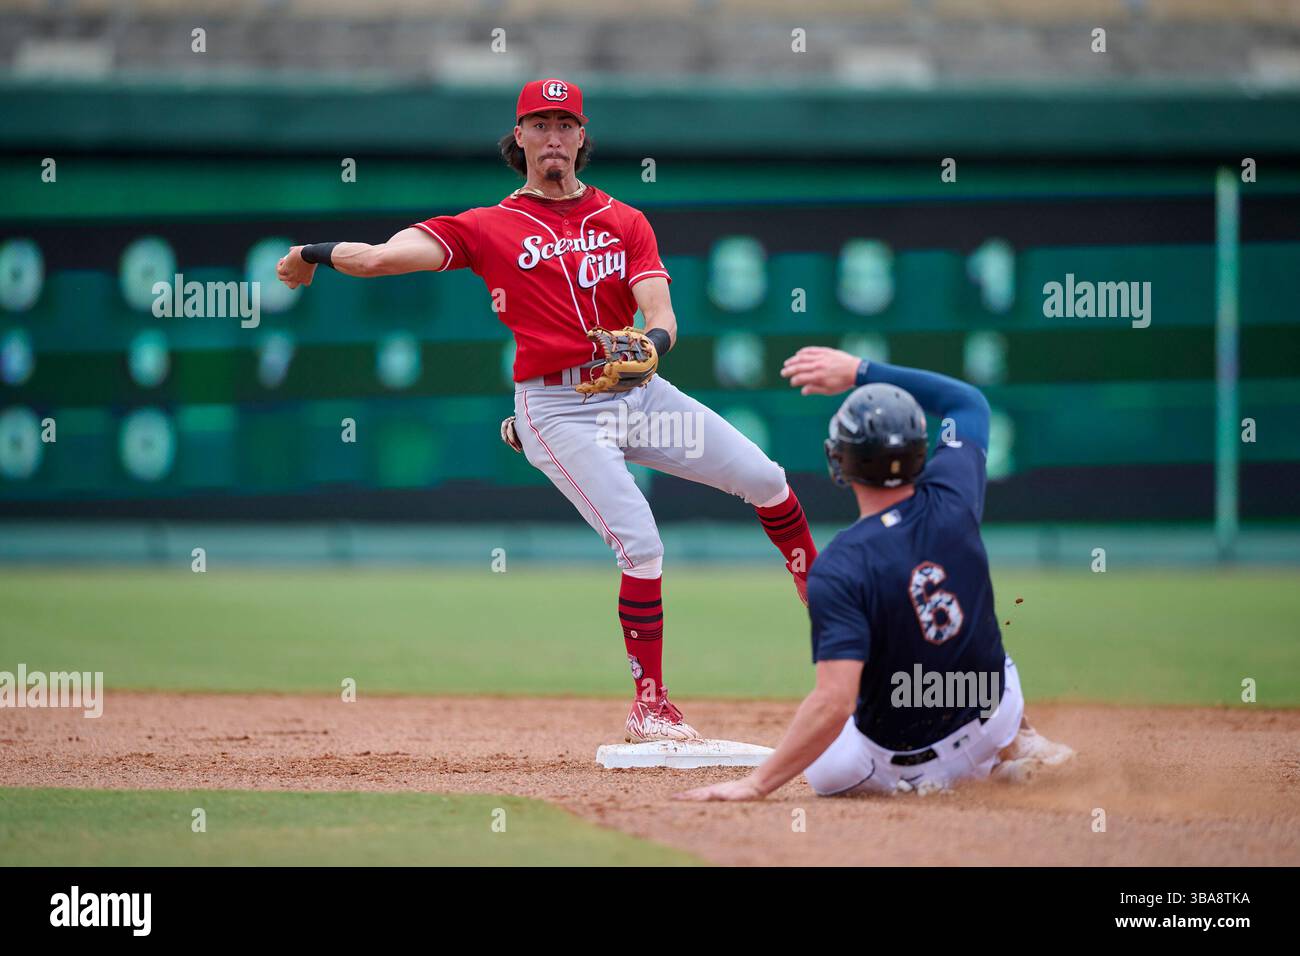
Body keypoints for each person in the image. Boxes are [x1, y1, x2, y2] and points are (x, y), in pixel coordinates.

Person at [275, 78, 817, 744]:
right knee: (642, 544)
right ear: (520, 137)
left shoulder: (625, 220)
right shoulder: (484, 226)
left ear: (582, 137)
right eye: (540, 123)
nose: (554, 136)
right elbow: (384, 258)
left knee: (767, 479)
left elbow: (662, 312)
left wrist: (653, 345)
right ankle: (650, 706)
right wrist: (310, 254)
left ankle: (822, 602)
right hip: (559, 405)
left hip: (637, 394)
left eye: (566, 123)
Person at [678, 347, 1074, 801]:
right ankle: (1016, 742)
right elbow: (968, 402)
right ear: (920, 453)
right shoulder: (954, 495)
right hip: (993, 715)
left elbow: (834, 702)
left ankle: (962, 776)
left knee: (825, 770)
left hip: (904, 761)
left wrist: (755, 783)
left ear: (839, 463)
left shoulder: (841, 565)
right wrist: (860, 371)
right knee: (984, 655)